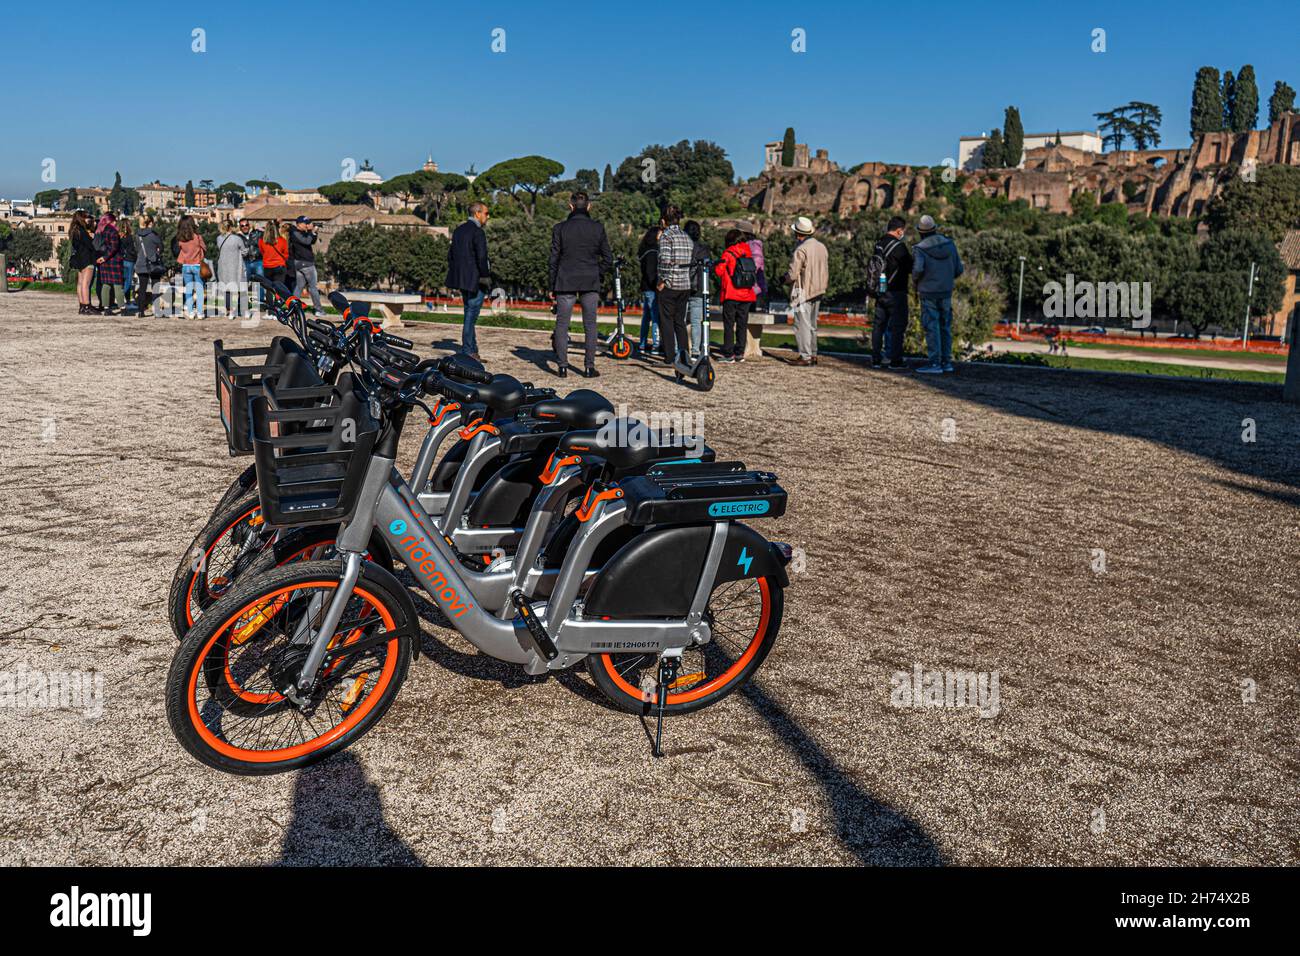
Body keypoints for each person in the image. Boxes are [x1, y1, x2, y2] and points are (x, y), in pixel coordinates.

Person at [548, 191, 612, 378]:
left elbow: (553, 259)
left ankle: (562, 367)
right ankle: (589, 367)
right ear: (589, 206)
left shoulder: (559, 228)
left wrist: (552, 284)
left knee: (562, 324)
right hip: (590, 279)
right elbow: (608, 258)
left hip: (565, 279)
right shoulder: (598, 228)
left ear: (571, 206)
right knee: (590, 325)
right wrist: (596, 271)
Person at [911, 214, 964, 374]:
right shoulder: (950, 244)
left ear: (921, 232)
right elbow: (959, 269)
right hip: (946, 291)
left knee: (931, 326)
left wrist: (916, 282)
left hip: (928, 292)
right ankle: (946, 362)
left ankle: (934, 363)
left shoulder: (919, 249)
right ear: (935, 229)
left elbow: (918, 270)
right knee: (945, 326)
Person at [446, 201, 491, 360]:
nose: (488, 216)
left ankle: (472, 349)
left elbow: (450, 255)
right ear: (477, 214)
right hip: (475, 280)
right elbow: (482, 257)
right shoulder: (478, 232)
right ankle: (468, 351)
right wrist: (485, 276)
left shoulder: (458, 230)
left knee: (468, 313)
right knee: (471, 316)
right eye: (486, 213)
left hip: (461, 279)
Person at [783, 216, 828, 366]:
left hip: (803, 291)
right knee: (812, 324)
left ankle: (805, 356)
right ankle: (813, 354)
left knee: (801, 324)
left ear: (798, 234)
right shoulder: (822, 247)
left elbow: (793, 274)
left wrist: (784, 279)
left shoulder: (801, 249)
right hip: (819, 289)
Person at [870, 216, 913, 369]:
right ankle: (895, 359)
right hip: (896, 291)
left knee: (878, 325)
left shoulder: (879, 244)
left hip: (880, 290)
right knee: (897, 326)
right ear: (899, 230)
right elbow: (910, 267)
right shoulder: (899, 247)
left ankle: (876, 358)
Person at [656, 204, 694, 371]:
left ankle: (669, 356)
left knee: (666, 321)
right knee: (680, 321)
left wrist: (662, 280)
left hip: (671, 284)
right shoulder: (686, 236)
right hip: (685, 285)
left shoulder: (666, 236)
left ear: (664, 221)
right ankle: (684, 354)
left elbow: (664, 260)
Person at [714, 228, 757, 364]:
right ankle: (739, 353)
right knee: (742, 324)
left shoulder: (728, 253)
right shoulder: (748, 252)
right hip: (746, 295)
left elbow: (719, 271)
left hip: (731, 294)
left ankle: (728, 354)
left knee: (729, 325)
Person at [683, 220, 711, 360]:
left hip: (683, 285)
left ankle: (680, 348)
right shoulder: (704, 249)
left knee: (680, 320)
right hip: (699, 287)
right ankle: (695, 351)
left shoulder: (684, 247)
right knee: (696, 321)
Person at [173, 215, 207, 318]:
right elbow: (204, 248)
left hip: (186, 266)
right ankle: (200, 312)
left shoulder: (180, 239)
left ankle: (191, 311)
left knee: (188, 290)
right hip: (197, 265)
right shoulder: (197, 237)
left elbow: (180, 250)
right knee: (199, 289)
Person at [636, 224, 662, 356]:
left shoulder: (645, 250)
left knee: (646, 317)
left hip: (646, 287)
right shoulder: (653, 252)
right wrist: (657, 286)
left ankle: (642, 343)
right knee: (655, 317)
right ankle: (656, 345)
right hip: (652, 288)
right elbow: (651, 272)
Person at [289, 216, 323, 315]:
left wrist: (314, 232)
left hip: (300, 263)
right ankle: (318, 309)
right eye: (306, 223)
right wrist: (312, 232)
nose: (308, 225)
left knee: (299, 287)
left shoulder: (301, 232)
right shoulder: (295, 233)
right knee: (313, 287)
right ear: (299, 224)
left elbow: (311, 241)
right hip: (306, 263)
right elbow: (307, 241)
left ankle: (292, 308)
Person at [133, 215, 165, 317]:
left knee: (142, 288)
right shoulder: (153, 235)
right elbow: (161, 247)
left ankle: (141, 311)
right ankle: (156, 311)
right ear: (150, 223)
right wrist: (156, 254)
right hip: (153, 264)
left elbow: (137, 249)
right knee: (155, 287)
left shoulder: (137, 235)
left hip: (141, 263)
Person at [93, 212, 125, 315]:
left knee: (106, 285)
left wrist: (102, 258)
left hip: (103, 262)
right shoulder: (113, 232)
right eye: (115, 221)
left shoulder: (100, 231)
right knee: (117, 285)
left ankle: (106, 308)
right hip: (113, 261)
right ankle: (123, 309)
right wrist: (105, 257)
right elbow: (114, 247)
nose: (116, 223)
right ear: (110, 221)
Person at [216, 218, 247, 316]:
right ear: (231, 227)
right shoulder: (237, 239)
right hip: (235, 267)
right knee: (238, 288)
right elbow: (244, 252)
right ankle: (238, 311)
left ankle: (227, 310)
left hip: (223, 267)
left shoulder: (219, 238)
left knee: (225, 289)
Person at [69, 210, 98, 314]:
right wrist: (92, 238)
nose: (87, 219)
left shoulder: (73, 230)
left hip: (79, 259)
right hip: (87, 258)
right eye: (85, 217)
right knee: (86, 283)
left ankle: (82, 306)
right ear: (82, 218)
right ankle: (87, 306)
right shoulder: (82, 230)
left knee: (80, 283)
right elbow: (90, 245)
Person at [239, 218, 264, 310]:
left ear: (249, 225)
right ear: (240, 227)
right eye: (242, 225)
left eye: (246, 225)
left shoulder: (257, 233)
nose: (245, 227)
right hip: (245, 262)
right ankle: (243, 304)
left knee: (260, 283)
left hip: (258, 260)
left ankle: (260, 303)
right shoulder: (238, 236)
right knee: (244, 283)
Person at [259, 219, 289, 293]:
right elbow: (286, 255)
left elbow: (262, 252)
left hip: (267, 267)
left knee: (269, 288)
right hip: (279, 266)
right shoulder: (282, 241)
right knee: (279, 288)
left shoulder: (261, 241)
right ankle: (277, 303)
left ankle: (270, 304)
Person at [118, 216, 138, 314]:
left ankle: (126, 300)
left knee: (123, 281)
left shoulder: (119, 236)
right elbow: (133, 250)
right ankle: (121, 298)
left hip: (121, 260)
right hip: (129, 260)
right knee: (128, 282)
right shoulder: (130, 237)